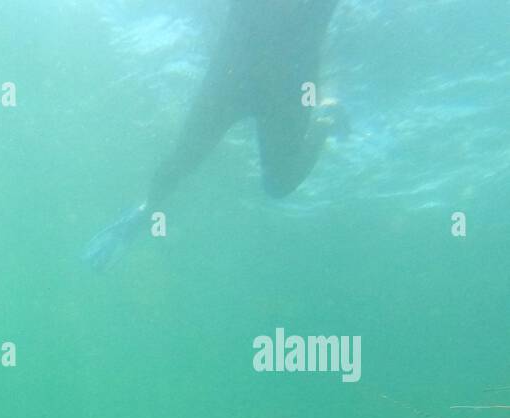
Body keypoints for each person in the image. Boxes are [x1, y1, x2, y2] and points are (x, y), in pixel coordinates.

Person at [83, 0, 346, 270]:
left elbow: (326, 44)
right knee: (180, 161)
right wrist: (327, 95)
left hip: (276, 84)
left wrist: (327, 101)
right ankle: (146, 212)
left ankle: (325, 119)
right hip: (241, 78)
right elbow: (325, 44)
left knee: (277, 184)